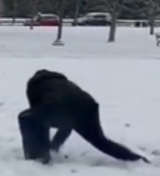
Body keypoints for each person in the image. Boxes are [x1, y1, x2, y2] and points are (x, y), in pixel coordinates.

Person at [18, 69, 149, 164]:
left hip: (57, 104)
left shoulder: (34, 85)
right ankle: (137, 160)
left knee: (26, 118)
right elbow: (69, 121)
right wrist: (55, 145)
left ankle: (39, 157)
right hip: (88, 107)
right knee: (101, 142)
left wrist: (49, 145)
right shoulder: (65, 84)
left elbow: (38, 115)